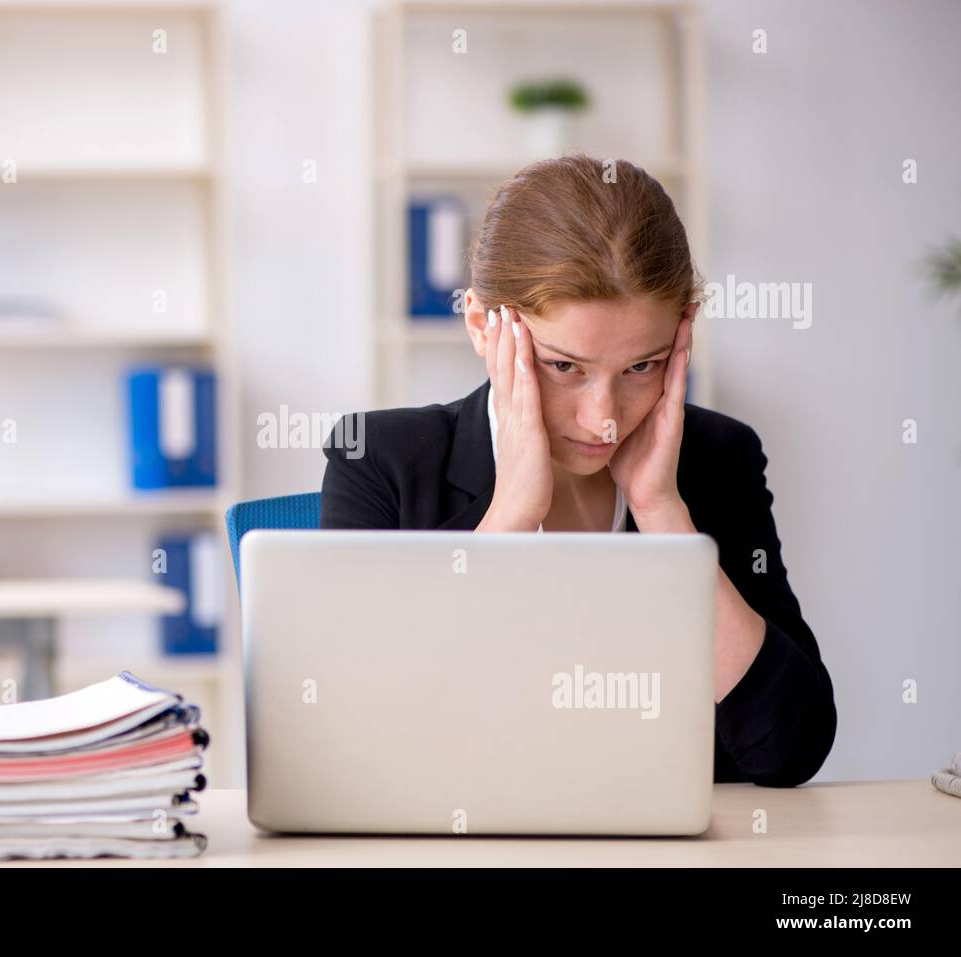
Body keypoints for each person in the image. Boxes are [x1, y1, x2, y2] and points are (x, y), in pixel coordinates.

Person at [320, 155, 836, 787]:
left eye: (641, 367)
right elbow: (351, 743)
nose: (603, 420)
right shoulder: (379, 458)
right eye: (564, 366)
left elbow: (790, 751)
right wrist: (510, 514)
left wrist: (666, 518)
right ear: (484, 324)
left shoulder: (719, 458)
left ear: (681, 338)